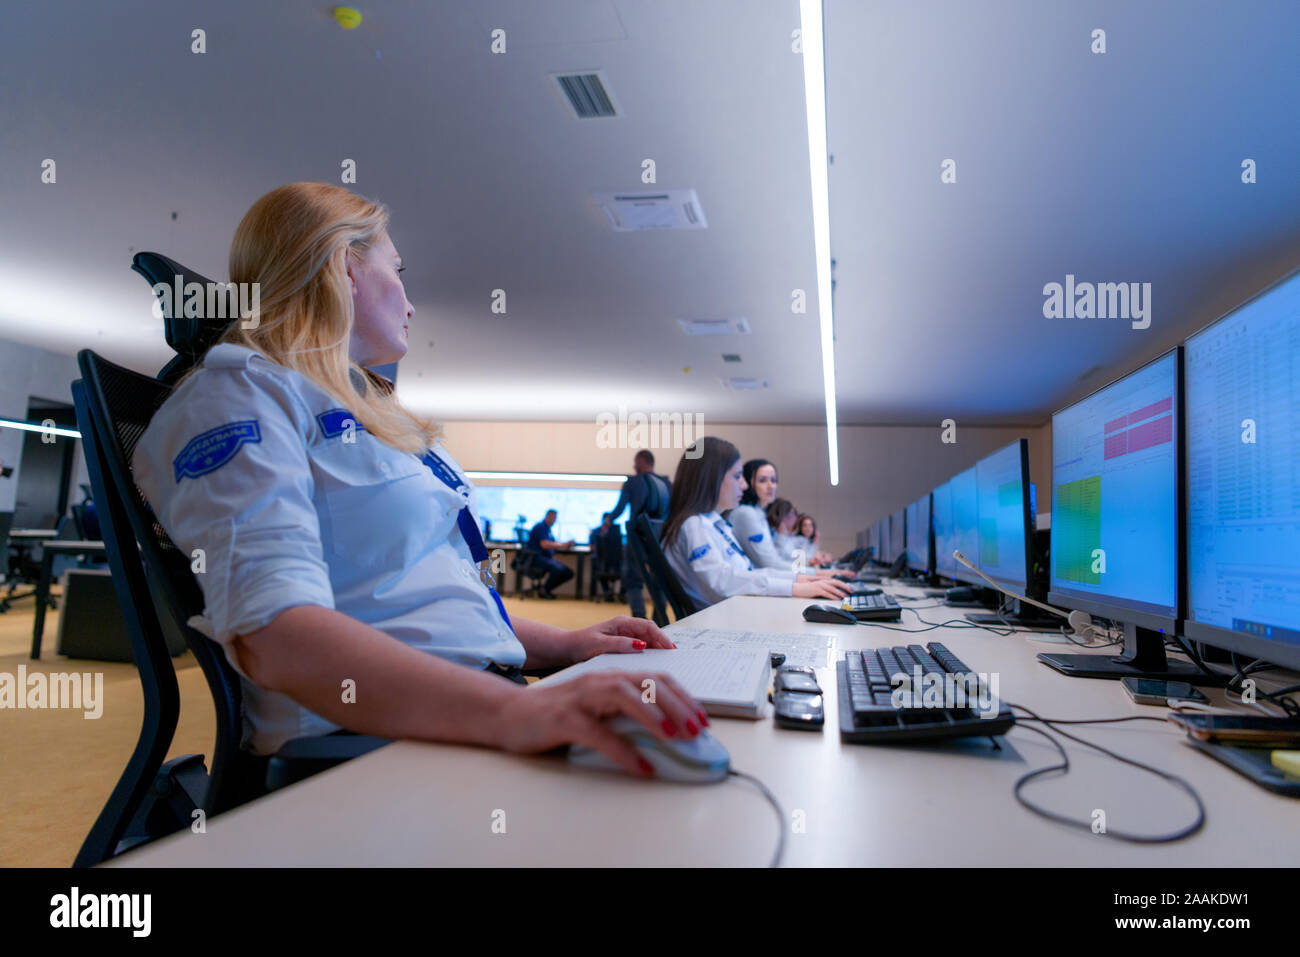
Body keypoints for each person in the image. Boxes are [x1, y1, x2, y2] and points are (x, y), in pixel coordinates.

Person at [131, 182, 705, 775]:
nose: (410, 302)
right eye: (397, 270)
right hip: (362, 748)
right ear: (344, 267)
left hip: (462, 713)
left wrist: (567, 645)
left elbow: (425, 603)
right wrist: (513, 713)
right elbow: (276, 636)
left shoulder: (358, 410)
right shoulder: (237, 395)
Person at [661, 437, 852, 608]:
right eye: (737, 476)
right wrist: (797, 586)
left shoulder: (714, 524)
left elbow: (750, 572)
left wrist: (803, 579)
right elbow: (722, 580)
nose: (744, 485)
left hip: (735, 611)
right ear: (711, 479)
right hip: (724, 618)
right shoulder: (694, 524)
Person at [726, 459, 848, 579]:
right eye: (762, 480)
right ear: (748, 482)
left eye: (774, 480)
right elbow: (771, 563)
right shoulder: (746, 514)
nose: (771, 486)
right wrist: (818, 573)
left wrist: (814, 570)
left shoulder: (758, 513)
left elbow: (776, 560)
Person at [606, 449, 672, 618]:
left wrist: (608, 521)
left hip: (637, 537)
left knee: (632, 579)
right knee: (660, 580)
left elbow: (620, 507)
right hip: (660, 538)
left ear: (642, 461)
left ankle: (639, 617)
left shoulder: (633, 482)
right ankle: (659, 617)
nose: (634, 466)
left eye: (636, 462)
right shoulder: (665, 483)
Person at [526, 509, 576, 599]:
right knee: (559, 570)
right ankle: (544, 590)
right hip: (536, 558)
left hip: (545, 558)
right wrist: (563, 545)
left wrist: (565, 545)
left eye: (555, 518)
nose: (554, 520)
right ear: (548, 516)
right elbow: (544, 545)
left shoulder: (548, 530)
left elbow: (553, 543)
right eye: (553, 518)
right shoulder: (540, 527)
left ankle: (545, 589)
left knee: (568, 572)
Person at [589, 512, 623, 601]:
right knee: (598, 567)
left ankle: (621, 595)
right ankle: (607, 592)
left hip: (615, 561)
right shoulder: (596, 531)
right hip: (601, 561)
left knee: (626, 569)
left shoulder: (615, 531)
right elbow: (591, 545)